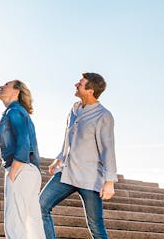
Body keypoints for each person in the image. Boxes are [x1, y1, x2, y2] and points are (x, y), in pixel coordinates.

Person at [40, 72, 117, 239]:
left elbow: (108, 149)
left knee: (96, 226)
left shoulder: (103, 115)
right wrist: (59, 158)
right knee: (40, 206)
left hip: (90, 178)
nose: (76, 84)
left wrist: (109, 181)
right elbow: (67, 138)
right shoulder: (74, 109)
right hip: (66, 172)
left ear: (90, 90)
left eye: (80, 83)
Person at [0, 80, 44, 238]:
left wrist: (14, 169)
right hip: (30, 171)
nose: (1, 86)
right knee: (32, 225)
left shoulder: (14, 111)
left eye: (6, 85)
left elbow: (24, 140)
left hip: (21, 168)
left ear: (16, 91)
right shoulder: (19, 111)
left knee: (14, 223)